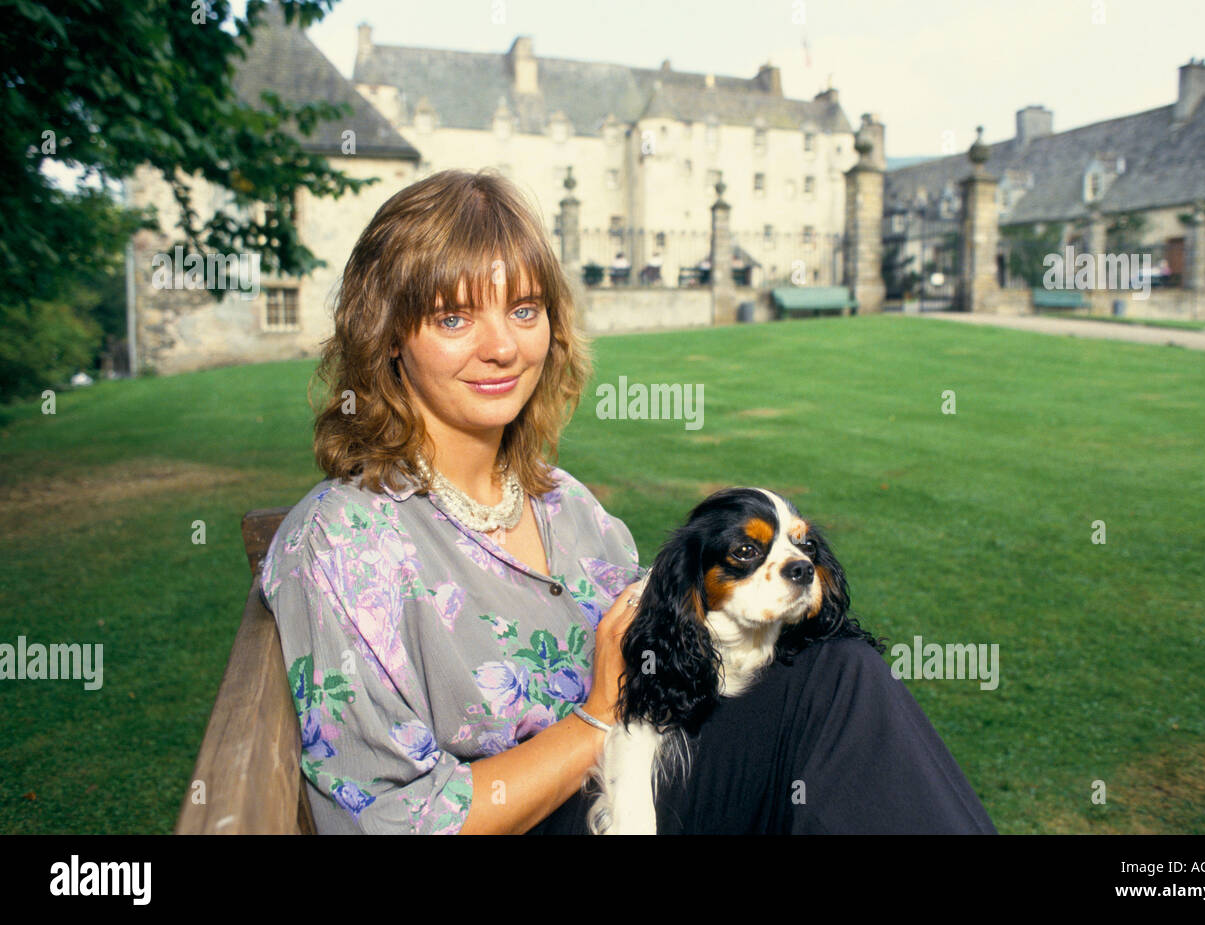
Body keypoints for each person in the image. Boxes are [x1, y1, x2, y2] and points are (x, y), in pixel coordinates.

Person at [261, 168, 997, 835]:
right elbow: (385, 822)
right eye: (454, 318)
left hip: (640, 784)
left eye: (523, 310)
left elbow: (671, 662)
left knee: (834, 674)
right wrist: (594, 720)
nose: (502, 347)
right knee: (837, 691)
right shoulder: (341, 541)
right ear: (389, 336)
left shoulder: (565, 505)